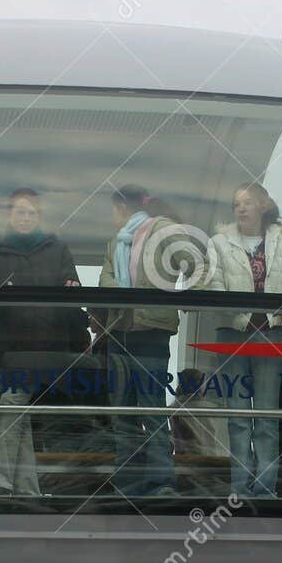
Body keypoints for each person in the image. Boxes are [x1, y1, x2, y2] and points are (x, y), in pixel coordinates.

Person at [0, 188, 83, 497]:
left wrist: (71, 287)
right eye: (20, 212)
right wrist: (3, 295)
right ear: (10, 216)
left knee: (21, 417)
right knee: (15, 409)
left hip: (49, 351)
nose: (25, 218)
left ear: (39, 217)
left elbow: (74, 293)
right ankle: (12, 486)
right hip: (12, 350)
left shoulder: (58, 250)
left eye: (31, 213)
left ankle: (17, 487)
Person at [205, 182, 282, 498]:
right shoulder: (218, 243)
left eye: (248, 202)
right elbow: (213, 289)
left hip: (271, 336)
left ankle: (264, 488)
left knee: (266, 416)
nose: (242, 208)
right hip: (233, 335)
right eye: (237, 203)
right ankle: (239, 487)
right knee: (237, 417)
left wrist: (273, 318)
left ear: (263, 205)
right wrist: (245, 319)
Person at [96, 185, 180, 497]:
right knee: (123, 412)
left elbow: (195, 260)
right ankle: (129, 482)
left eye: (113, 209)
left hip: (152, 332)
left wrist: (186, 295)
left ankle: (162, 482)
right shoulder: (114, 242)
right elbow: (106, 280)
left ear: (122, 207)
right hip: (120, 333)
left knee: (151, 409)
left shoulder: (164, 230)